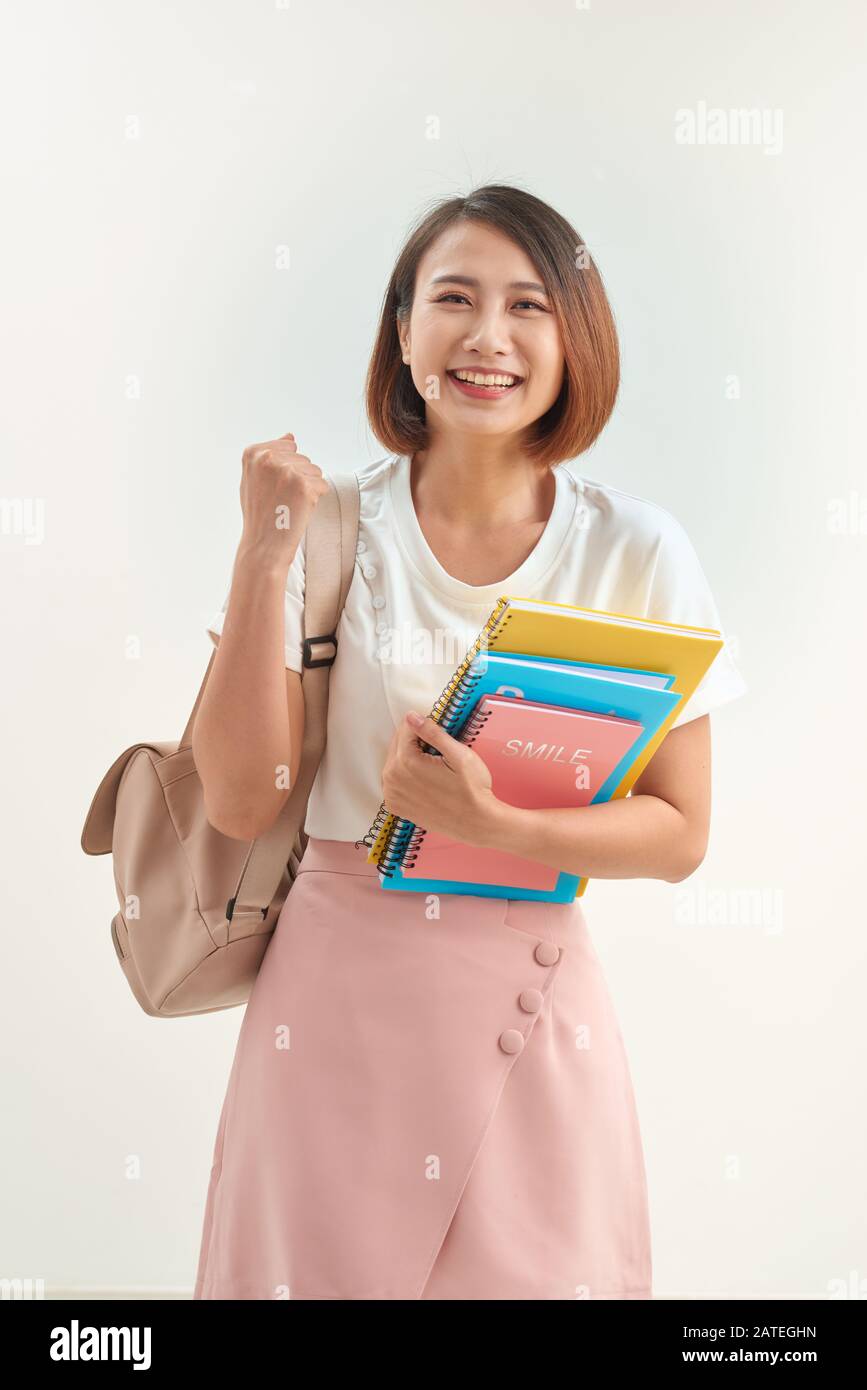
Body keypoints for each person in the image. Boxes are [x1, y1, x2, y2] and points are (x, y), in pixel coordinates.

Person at [191, 183, 747, 1301]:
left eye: (528, 305)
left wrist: (500, 824)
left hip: (532, 1003)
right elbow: (242, 799)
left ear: (574, 340)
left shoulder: (637, 548)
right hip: (334, 1003)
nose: (488, 337)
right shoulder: (334, 523)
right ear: (402, 333)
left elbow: (682, 833)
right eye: (453, 298)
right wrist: (264, 549)